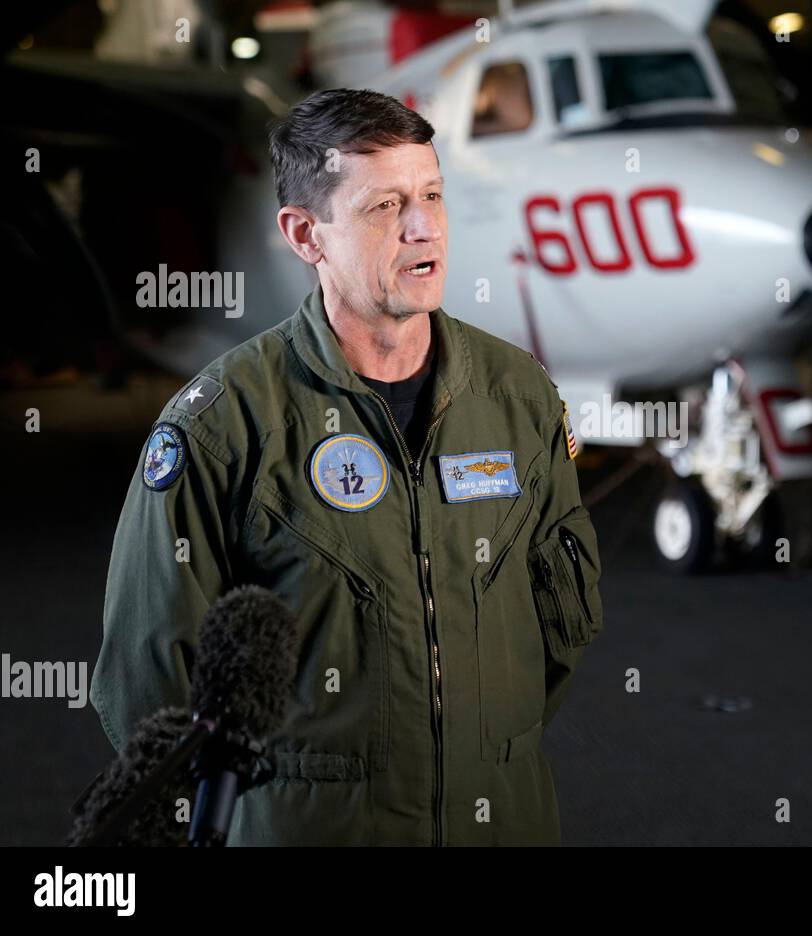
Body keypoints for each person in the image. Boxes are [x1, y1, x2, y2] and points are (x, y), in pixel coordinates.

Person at [91, 89, 603, 845]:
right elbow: (148, 685)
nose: (424, 227)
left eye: (432, 195)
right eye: (384, 207)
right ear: (306, 235)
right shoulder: (224, 425)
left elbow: (561, 630)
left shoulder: (518, 396)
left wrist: (475, 757)